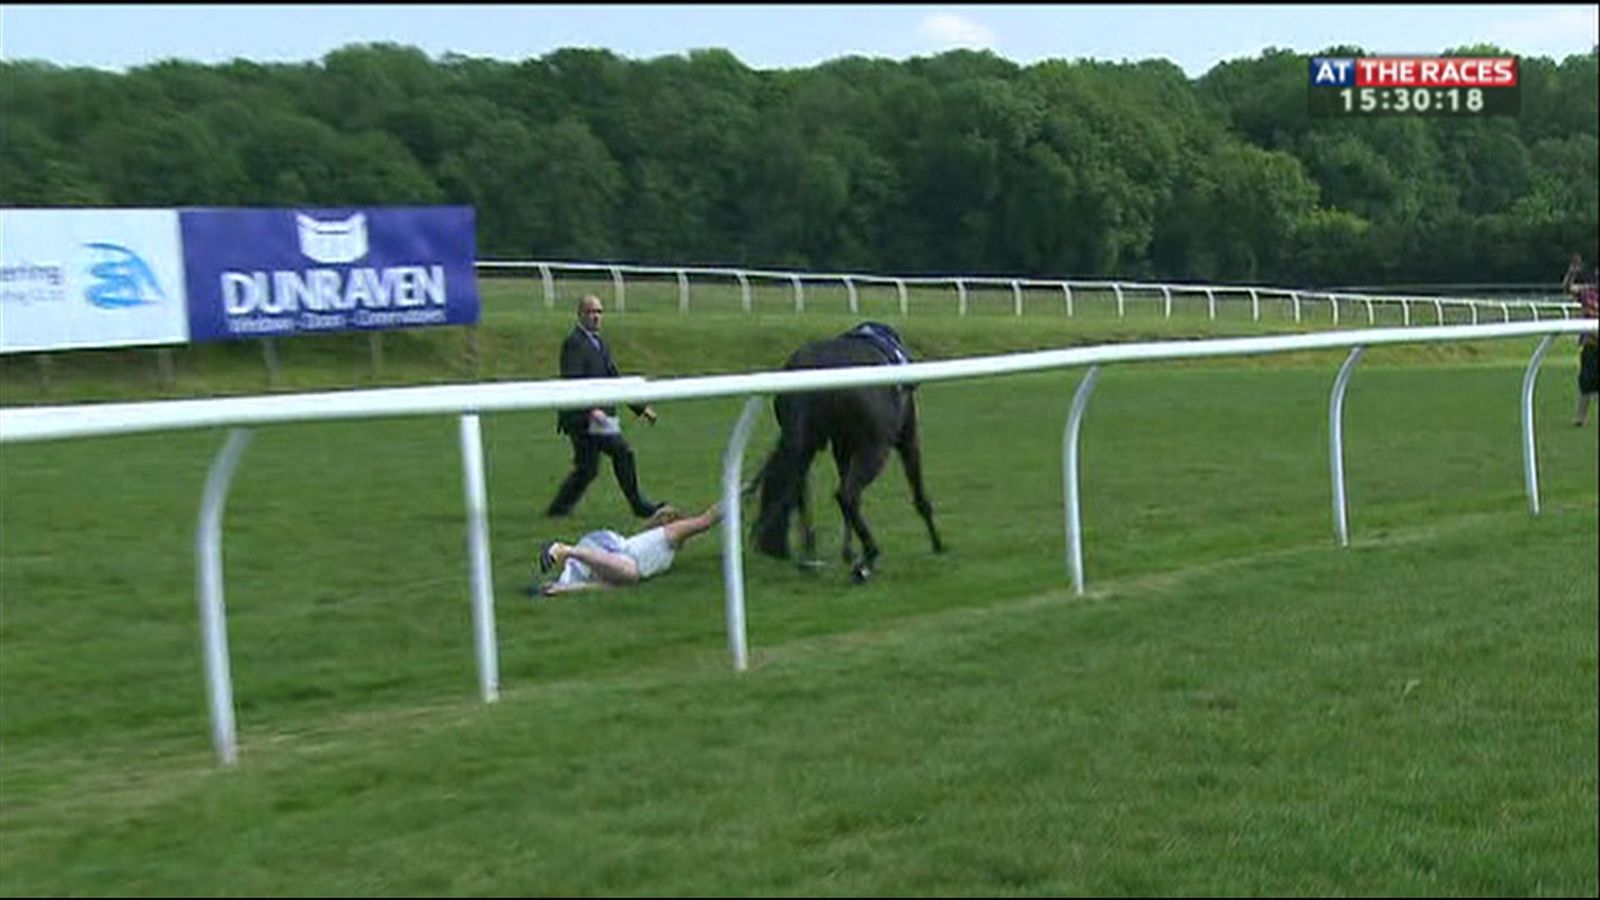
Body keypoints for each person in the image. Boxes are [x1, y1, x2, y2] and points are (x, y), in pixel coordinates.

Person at [546, 294, 666, 518]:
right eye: (591, 312)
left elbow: (614, 380)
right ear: (580, 314)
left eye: (599, 312)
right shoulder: (574, 343)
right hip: (583, 419)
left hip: (597, 418)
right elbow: (572, 382)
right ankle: (639, 506)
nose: (596, 317)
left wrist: (641, 408)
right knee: (623, 452)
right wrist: (592, 410)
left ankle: (556, 512)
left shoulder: (600, 343)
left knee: (587, 470)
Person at [530, 502, 722, 596]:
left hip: (611, 560)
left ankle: (560, 585)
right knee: (631, 573)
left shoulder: (663, 556)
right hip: (608, 547)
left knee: (624, 582)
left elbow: (612, 585)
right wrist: (738, 494)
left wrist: (566, 590)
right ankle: (562, 549)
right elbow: (705, 521)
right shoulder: (669, 534)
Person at [1563, 254, 1599, 427]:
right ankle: (1581, 417)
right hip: (1591, 346)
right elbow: (1568, 288)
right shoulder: (1587, 292)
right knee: (1586, 383)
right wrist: (1572, 273)